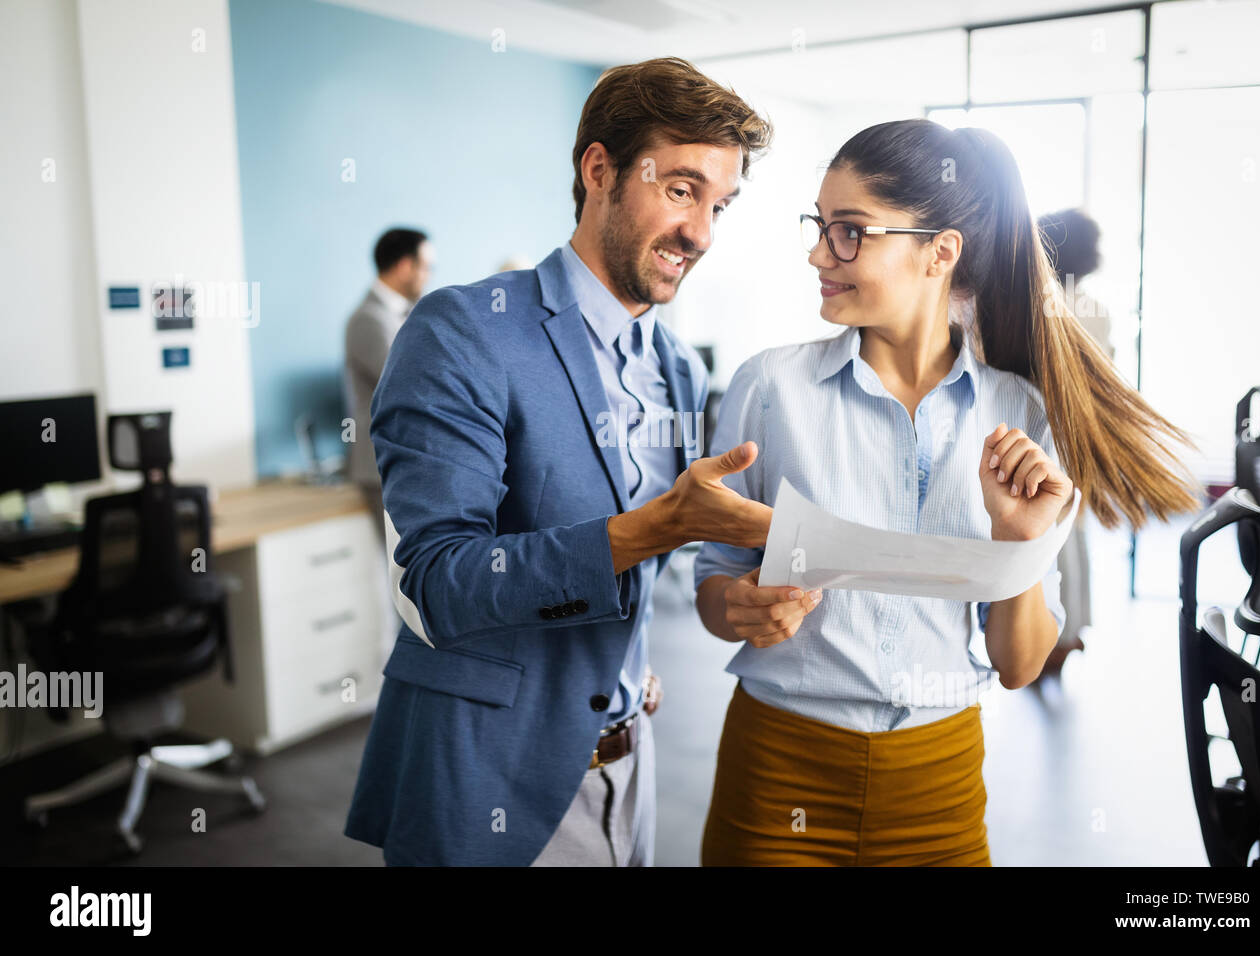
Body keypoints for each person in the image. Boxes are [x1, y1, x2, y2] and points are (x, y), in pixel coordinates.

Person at [693, 119, 1200, 866]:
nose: (817, 253)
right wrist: (736, 608)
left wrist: (1018, 542)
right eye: (819, 227)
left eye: (849, 232)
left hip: (939, 786)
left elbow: (1021, 664)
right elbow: (713, 589)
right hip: (779, 775)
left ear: (941, 251)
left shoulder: (1017, 412)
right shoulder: (769, 388)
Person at [343, 57, 774, 866]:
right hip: (488, 778)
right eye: (681, 189)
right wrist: (647, 531)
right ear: (599, 170)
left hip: (628, 765)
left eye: (721, 204)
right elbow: (442, 582)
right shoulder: (463, 331)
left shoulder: (678, 367)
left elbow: (636, 575)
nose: (702, 232)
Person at [1033, 208, 1117, 675]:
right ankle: (1072, 630)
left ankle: (1055, 636)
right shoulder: (1096, 311)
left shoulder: (1044, 306)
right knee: (1073, 534)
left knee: (1051, 538)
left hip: (1048, 435)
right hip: (1081, 439)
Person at [343, 227, 434, 529]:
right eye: (426, 267)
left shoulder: (407, 313)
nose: (429, 276)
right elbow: (413, 384)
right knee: (401, 571)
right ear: (405, 267)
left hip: (407, 461)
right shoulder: (369, 319)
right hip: (383, 466)